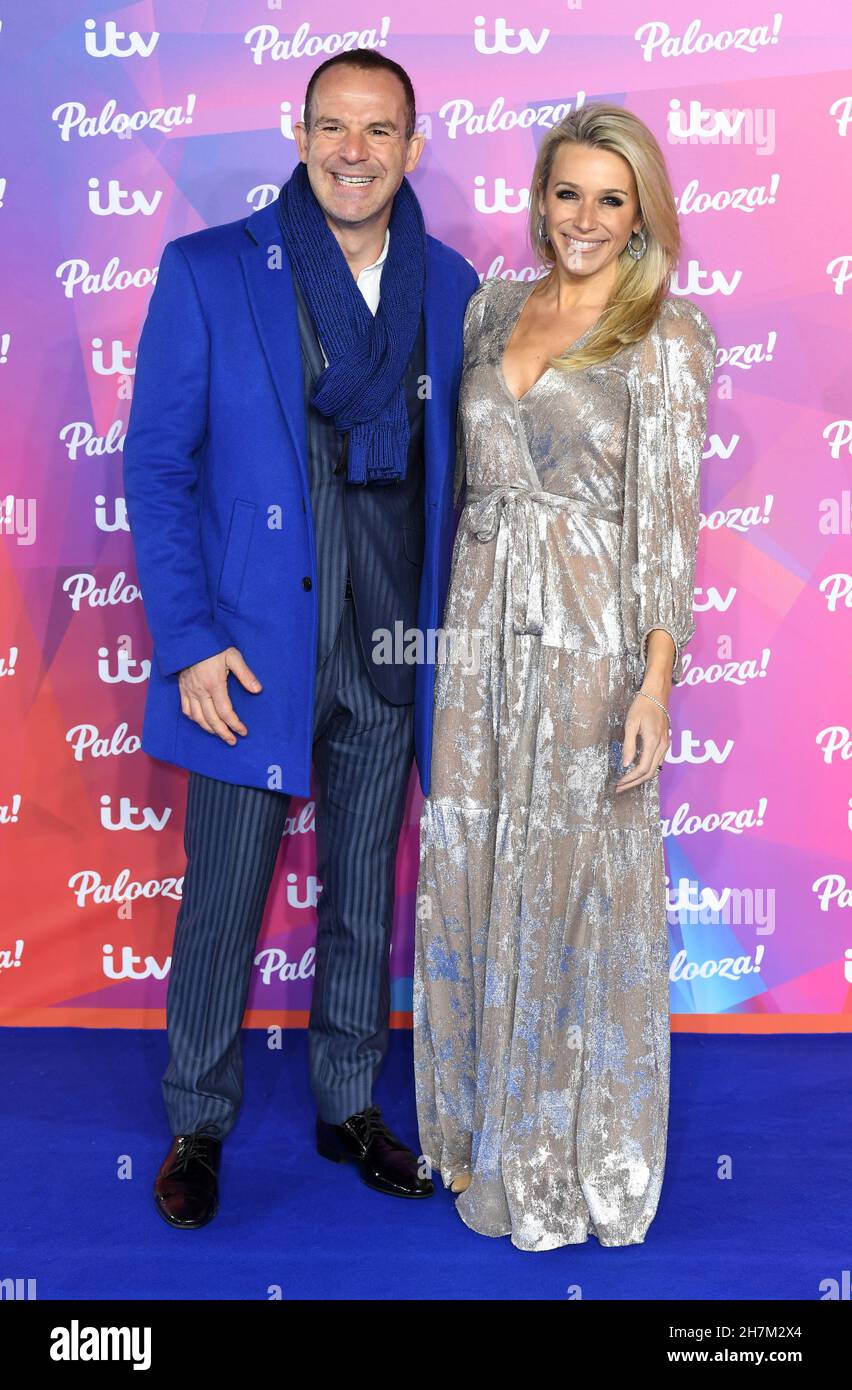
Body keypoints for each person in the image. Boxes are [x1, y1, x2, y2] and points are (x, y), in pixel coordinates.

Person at [123, 50, 479, 1228]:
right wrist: (188, 641)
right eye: (334, 125)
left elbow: (463, 483)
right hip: (250, 650)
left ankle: (346, 1105)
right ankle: (198, 1121)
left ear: (412, 147)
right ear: (301, 130)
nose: (354, 151)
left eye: (380, 131)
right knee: (223, 895)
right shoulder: (211, 270)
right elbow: (159, 469)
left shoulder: (453, 286)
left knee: (363, 895)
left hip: (388, 651)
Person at [413, 102, 718, 1250]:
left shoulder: (667, 336)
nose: (582, 218)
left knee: (570, 879)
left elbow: (666, 530)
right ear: (540, 197)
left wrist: (653, 687)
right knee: (476, 859)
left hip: (591, 638)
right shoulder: (493, 307)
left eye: (610, 198)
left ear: (641, 213)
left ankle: (564, 1154)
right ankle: (479, 1126)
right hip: (479, 627)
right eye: (566, 192)